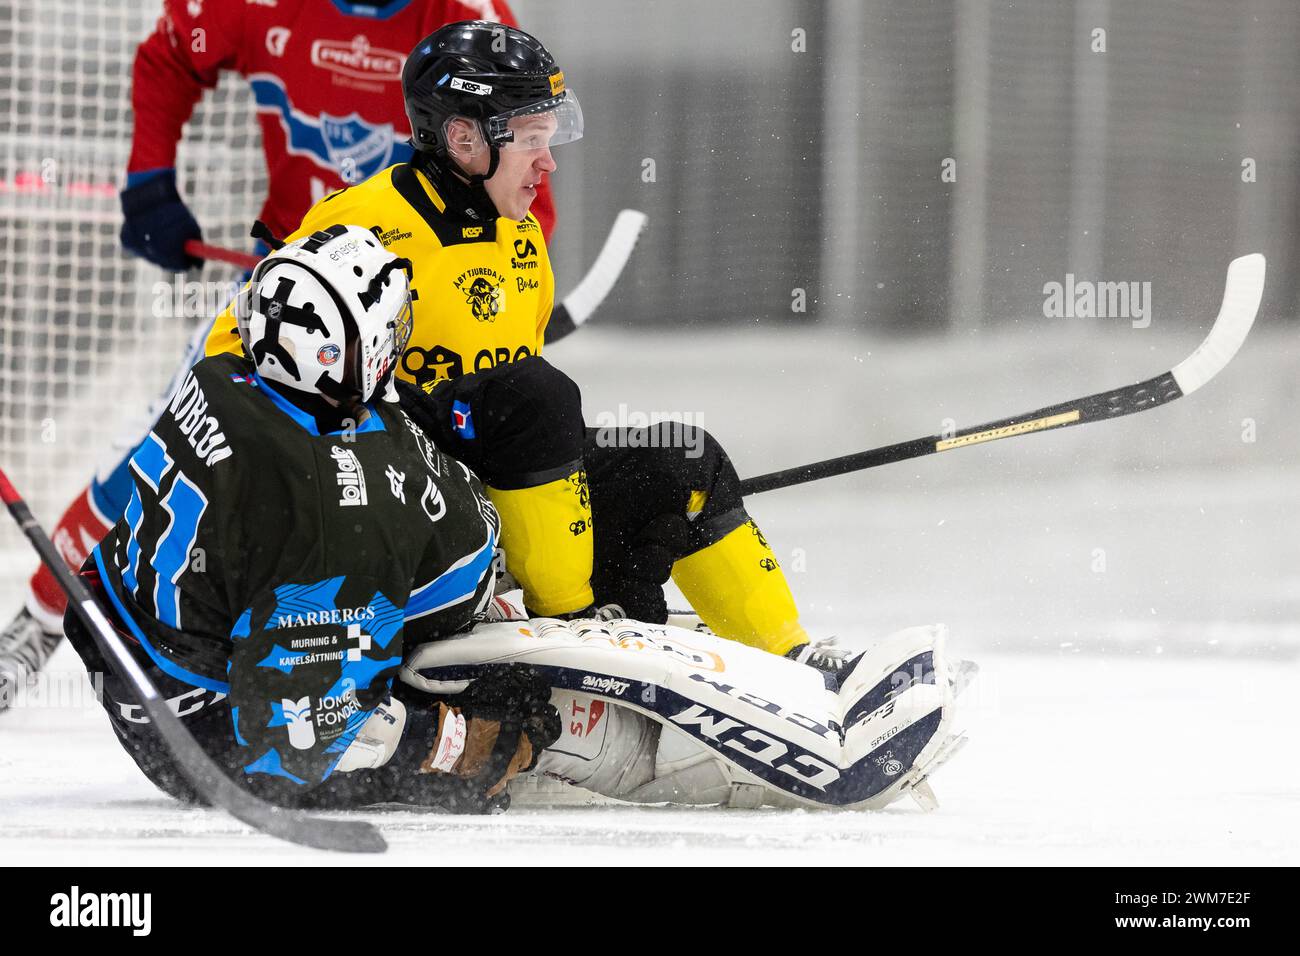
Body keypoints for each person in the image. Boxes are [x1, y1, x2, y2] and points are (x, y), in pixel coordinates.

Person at [199, 21, 841, 677]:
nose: (549, 161)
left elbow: (519, 428)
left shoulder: (520, 236)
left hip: (489, 506)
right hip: (395, 511)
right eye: (531, 139)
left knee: (680, 461)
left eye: (551, 136)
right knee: (536, 395)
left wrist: (611, 507)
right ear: (463, 138)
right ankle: (572, 635)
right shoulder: (359, 228)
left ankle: (795, 662)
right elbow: (231, 372)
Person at [0, 0, 555, 710]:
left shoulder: (463, 15)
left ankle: (419, 640)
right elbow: (172, 54)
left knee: (398, 483)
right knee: (159, 450)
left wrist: (504, 298)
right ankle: (45, 619)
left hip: (410, 314)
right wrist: (149, 183)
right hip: (280, 305)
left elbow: (524, 172)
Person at [62, 225, 558, 809]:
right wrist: (462, 743)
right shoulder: (331, 518)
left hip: (152, 663)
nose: (398, 339)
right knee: (413, 729)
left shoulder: (220, 377)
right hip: (213, 737)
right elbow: (291, 747)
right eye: (388, 326)